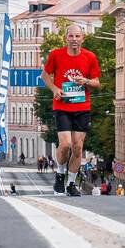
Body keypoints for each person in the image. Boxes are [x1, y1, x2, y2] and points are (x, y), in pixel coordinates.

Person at [42, 22, 100, 198]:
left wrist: (87, 81)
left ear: (82, 38)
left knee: (77, 147)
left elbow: (97, 83)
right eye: (71, 36)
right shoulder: (56, 55)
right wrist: (54, 90)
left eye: (77, 36)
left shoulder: (90, 57)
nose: (74, 39)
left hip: (82, 107)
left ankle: (72, 183)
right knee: (65, 144)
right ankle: (60, 173)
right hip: (62, 106)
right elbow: (45, 75)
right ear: (66, 38)